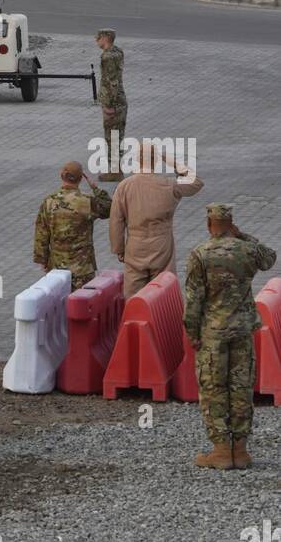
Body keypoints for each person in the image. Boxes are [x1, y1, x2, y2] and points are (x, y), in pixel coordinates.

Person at [184, 203, 276, 471]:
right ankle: (241, 450)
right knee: (241, 387)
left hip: (212, 334)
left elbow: (193, 301)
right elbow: (269, 258)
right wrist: (244, 235)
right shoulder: (246, 250)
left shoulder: (200, 254)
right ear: (231, 222)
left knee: (214, 389)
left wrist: (192, 334)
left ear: (208, 223)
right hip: (242, 331)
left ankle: (221, 450)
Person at [109, 141, 204, 298]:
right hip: (162, 245)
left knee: (134, 295)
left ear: (137, 159)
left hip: (135, 246)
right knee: (162, 291)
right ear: (157, 160)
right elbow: (196, 182)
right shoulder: (168, 184)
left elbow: (116, 221)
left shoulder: (124, 187)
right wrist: (174, 162)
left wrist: (118, 248)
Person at [33, 160, 112, 291]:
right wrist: (95, 188)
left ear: (61, 176)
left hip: (57, 268)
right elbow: (108, 208)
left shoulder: (49, 202)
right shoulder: (87, 202)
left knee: (59, 306)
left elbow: (41, 232)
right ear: (81, 179)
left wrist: (43, 260)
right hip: (83, 268)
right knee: (81, 306)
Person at [95, 29, 127, 179]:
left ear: (106, 38)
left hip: (114, 102)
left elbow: (111, 81)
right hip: (120, 100)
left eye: (98, 37)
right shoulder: (117, 52)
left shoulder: (108, 57)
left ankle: (114, 171)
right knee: (117, 135)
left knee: (112, 136)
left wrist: (109, 105)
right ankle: (116, 169)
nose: (96, 40)